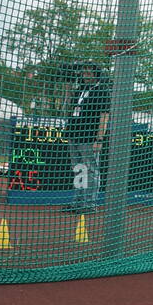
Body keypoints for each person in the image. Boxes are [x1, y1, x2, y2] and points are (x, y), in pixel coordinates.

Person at [63, 61, 110, 212]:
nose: (85, 75)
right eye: (84, 73)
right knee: (78, 169)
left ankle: (90, 204)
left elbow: (104, 116)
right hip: (74, 133)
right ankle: (78, 202)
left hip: (89, 137)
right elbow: (69, 104)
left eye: (89, 73)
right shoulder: (81, 89)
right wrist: (68, 85)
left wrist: (99, 139)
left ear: (96, 74)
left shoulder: (102, 91)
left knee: (90, 169)